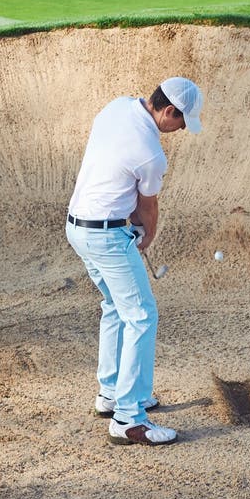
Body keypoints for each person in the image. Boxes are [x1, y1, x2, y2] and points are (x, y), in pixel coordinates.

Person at [66, 76, 203, 446]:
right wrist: (146, 237)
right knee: (142, 315)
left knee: (115, 307)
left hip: (78, 227)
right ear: (169, 111)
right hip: (106, 237)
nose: (180, 129)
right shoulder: (151, 153)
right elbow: (148, 207)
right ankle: (128, 419)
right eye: (182, 122)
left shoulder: (117, 106)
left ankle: (112, 394)